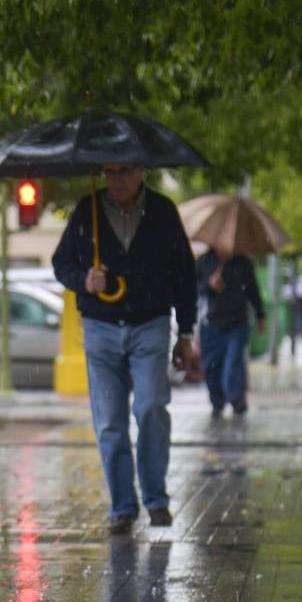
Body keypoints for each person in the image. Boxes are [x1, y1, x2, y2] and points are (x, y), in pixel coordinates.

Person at [52, 163, 196, 533]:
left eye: (125, 171)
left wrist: (186, 331)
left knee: (150, 408)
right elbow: (61, 263)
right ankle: (122, 506)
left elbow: (184, 272)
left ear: (141, 171)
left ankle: (156, 499)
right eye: (110, 172)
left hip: (150, 324)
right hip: (100, 327)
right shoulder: (87, 210)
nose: (116, 179)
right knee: (109, 423)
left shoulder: (162, 211)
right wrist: (84, 279)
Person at [195, 247, 265, 418]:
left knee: (233, 363)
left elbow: (252, 289)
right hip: (210, 324)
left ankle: (237, 400)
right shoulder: (203, 262)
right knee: (212, 366)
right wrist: (208, 285)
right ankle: (217, 402)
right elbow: (192, 289)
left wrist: (260, 315)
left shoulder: (243, 263)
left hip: (237, 323)